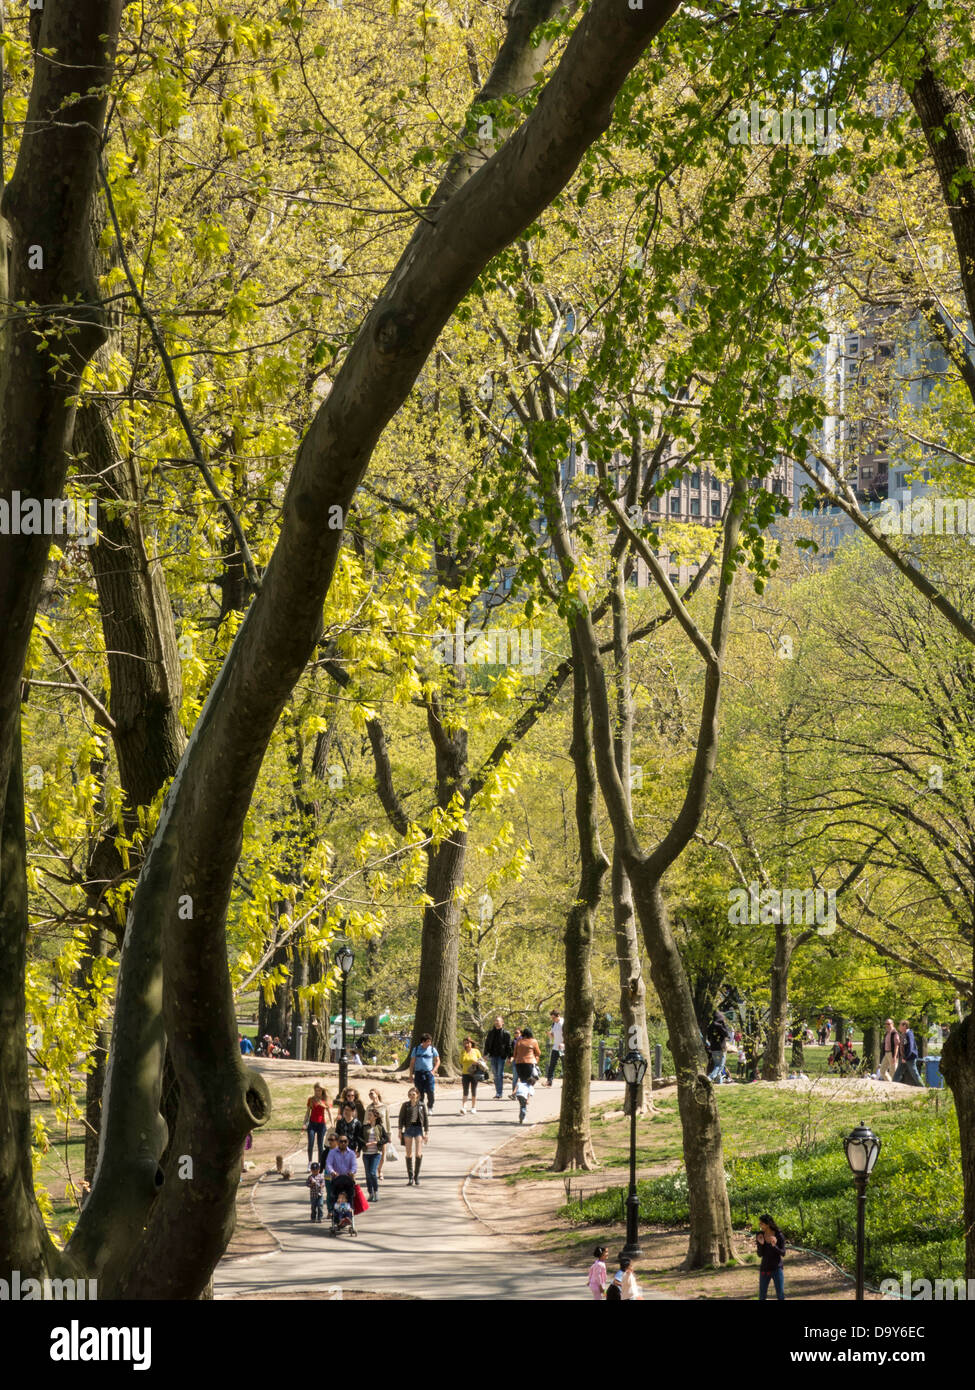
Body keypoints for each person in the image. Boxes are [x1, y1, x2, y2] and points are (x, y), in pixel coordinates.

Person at [398, 1086, 429, 1186]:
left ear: (417, 1095)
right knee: (408, 1153)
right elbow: (401, 1118)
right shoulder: (405, 1105)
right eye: (410, 1094)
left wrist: (426, 1132)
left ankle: (416, 1176)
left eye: (413, 1094)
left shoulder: (421, 1105)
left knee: (418, 1154)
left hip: (418, 1129)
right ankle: (410, 1177)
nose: (412, 1096)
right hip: (408, 1129)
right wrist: (400, 1130)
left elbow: (426, 1119)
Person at [360, 1105, 389, 1201]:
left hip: (376, 1154)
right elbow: (359, 1138)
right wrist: (364, 1144)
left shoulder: (380, 1127)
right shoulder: (364, 1127)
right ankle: (370, 1193)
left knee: (372, 1172)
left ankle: (376, 1191)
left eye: (370, 1115)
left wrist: (377, 1142)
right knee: (368, 1174)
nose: (369, 1117)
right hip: (366, 1154)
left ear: (375, 1117)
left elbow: (386, 1139)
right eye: (368, 1115)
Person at [512, 1026, 541, 1123]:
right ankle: (524, 1106)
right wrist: (535, 1060)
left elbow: (515, 1054)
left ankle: (521, 1095)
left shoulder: (518, 1042)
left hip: (519, 1065)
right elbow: (538, 1053)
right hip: (529, 1064)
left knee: (524, 1082)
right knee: (530, 1082)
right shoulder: (533, 1041)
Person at [757, 1213, 786, 1300]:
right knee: (762, 1295)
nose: (759, 1225)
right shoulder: (760, 1235)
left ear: (767, 1224)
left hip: (777, 1269)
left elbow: (783, 1253)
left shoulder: (779, 1235)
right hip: (764, 1269)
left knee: (780, 1294)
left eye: (761, 1223)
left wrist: (774, 1246)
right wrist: (761, 1244)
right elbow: (759, 1254)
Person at [483, 1015, 513, 1100]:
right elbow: (487, 1044)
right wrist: (485, 1054)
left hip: (501, 1056)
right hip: (493, 1056)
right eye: (495, 1021)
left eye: (498, 1021)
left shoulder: (506, 1033)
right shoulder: (491, 1032)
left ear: (502, 1023)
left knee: (499, 1074)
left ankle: (499, 1093)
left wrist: (510, 1057)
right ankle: (498, 1092)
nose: (496, 1022)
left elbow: (509, 1046)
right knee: (495, 1075)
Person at [409, 1032, 440, 1111]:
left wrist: (433, 1071)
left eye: (430, 1041)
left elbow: (438, 1061)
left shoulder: (433, 1049)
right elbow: (412, 1062)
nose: (429, 1043)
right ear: (422, 1042)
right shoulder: (416, 1049)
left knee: (430, 1091)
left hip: (428, 1074)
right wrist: (410, 1074)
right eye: (427, 1042)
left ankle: (430, 1106)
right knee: (419, 1092)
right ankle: (420, 1107)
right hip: (418, 1073)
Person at [325, 1132, 358, 1207]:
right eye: (341, 1141)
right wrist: (332, 1172)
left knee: (350, 1196)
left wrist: (352, 1172)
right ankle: (334, 1212)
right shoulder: (332, 1152)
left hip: (348, 1179)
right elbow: (328, 1164)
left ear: (348, 1142)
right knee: (334, 1196)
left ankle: (350, 1211)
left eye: (345, 1141)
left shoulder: (352, 1153)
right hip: (336, 1179)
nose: (343, 1143)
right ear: (338, 1142)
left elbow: (354, 1165)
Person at [304, 1083, 333, 1166]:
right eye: (316, 1090)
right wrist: (304, 1123)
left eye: (319, 1090)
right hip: (312, 1124)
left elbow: (330, 1112)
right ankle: (310, 1163)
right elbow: (307, 1112)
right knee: (311, 1144)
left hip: (321, 1124)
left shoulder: (325, 1100)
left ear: (322, 1091)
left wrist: (332, 1123)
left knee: (320, 1145)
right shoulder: (311, 1099)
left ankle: (320, 1163)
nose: (317, 1092)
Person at [369, 1088, 392, 1181]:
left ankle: (379, 1169)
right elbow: (366, 1120)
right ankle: (376, 1170)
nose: (370, 1095)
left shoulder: (384, 1107)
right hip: (373, 1132)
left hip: (383, 1133)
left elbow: (387, 1120)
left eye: (372, 1093)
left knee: (383, 1154)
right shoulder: (369, 1107)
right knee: (375, 1153)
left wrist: (389, 1133)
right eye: (369, 1094)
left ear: (377, 1094)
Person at [459, 1036, 484, 1114]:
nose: (467, 1044)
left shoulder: (476, 1051)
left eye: (468, 1043)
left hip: (474, 1073)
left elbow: (481, 1061)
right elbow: (461, 1061)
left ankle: (473, 1107)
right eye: (465, 1043)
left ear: (471, 1043)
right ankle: (464, 1107)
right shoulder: (463, 1051)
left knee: (474, 1090)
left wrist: (477, 1062)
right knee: (465, 1090)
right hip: (465, 1073)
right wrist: (464, 1052)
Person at [894, 1020, 923, 1086]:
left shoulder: (909, 1034)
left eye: (900, 1025)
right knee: (898, 1072)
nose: (899, 1027)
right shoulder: (903, 1034)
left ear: (904, 1026)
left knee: (914, 1073)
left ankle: (923, 1086)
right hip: (903, 1057)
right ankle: (893, 1084)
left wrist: (906, 1058)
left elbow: (910, 1047)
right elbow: (903, 1045)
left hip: (909, 1058)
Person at [706, 1010, 731, 1083]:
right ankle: (710, 1077)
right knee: (720, 1065)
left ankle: (719, 1082)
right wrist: (724, 1025)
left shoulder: (710, 1026)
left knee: (716, 1065)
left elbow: (708, 1037)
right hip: (721, 1048)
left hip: (713, 1048)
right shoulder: (720, 1026)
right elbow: (726, 1034)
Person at [545, 1008, 565, 1085]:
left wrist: (563, 1043)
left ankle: (565, 1082)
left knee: (564, 1065)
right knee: (552, 1064)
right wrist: (549, 1034)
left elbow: (567, 1035)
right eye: (552, 1018)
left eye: (554, 1018)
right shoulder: (554, 1024)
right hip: (555, 1047)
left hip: (562, 1048)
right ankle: (549, 1081)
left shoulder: (563, 1023)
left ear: (558, 1016)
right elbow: (553, 1036)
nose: (553, 1019)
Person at [510, 1028, 523, 1095]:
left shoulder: (523, 1041)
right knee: (515, 1078)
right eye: (515, 1033)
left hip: (523, 1061)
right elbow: (512, 1052)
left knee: (522, 1078)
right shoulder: (513, 1042)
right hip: (515, 1061)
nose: (516, 1034)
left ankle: (521, 1093)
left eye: (517, 1032)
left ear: (521, 1033)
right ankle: (514, 1094)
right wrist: (510, 1058)